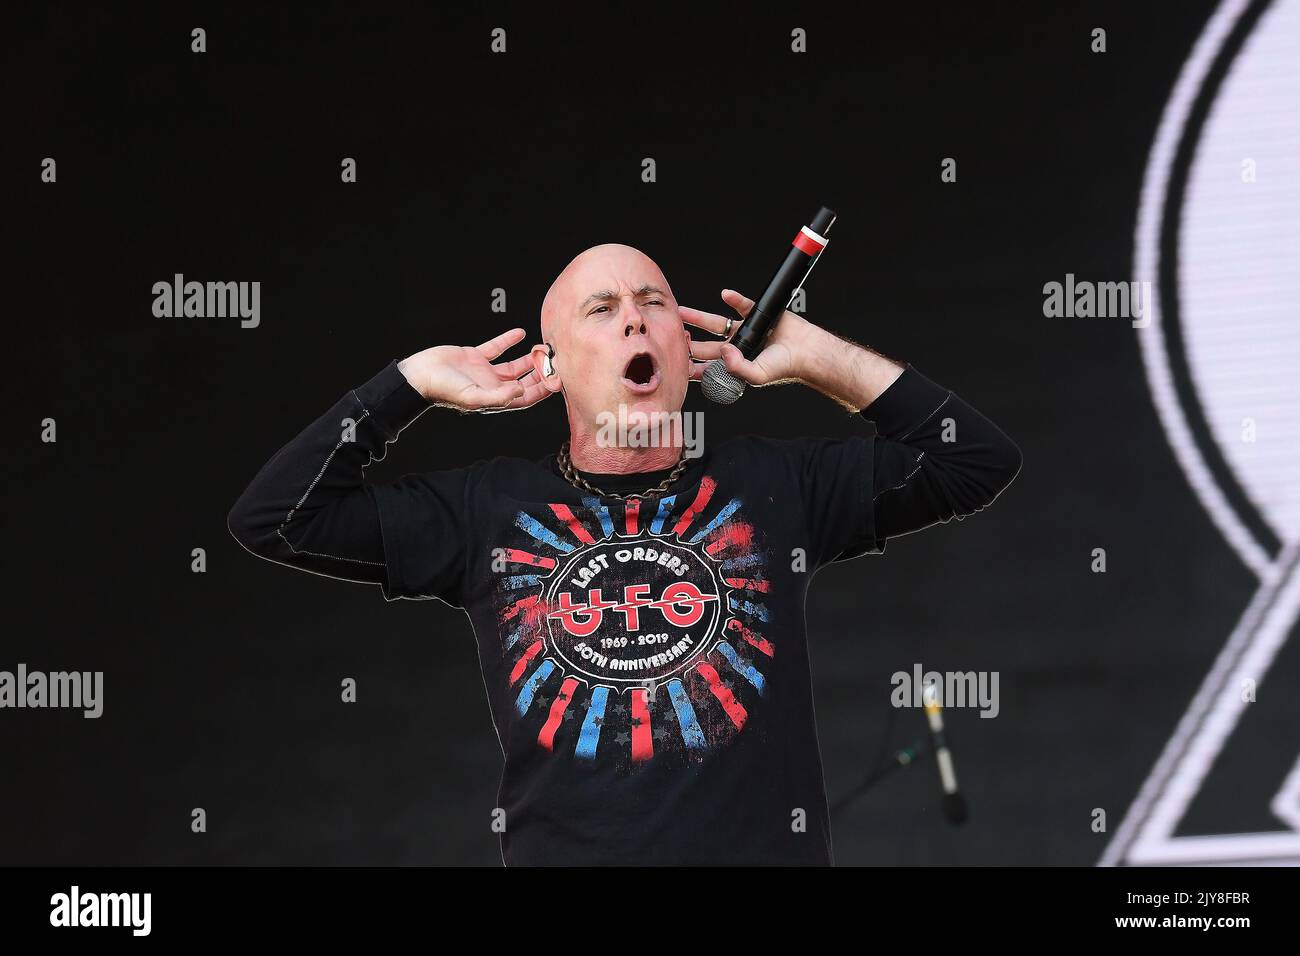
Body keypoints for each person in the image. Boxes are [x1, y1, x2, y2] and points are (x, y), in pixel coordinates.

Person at [227, 243, 1022, 865]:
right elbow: (276, 517)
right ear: (553, 364)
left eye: (655, 304)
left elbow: (975, 462)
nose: (636, 321)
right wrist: (408, 385)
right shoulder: (486, 512)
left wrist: (816, 357)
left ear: (689, 348)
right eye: (601, 310)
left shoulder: (779, 486)